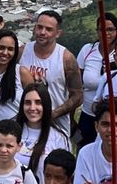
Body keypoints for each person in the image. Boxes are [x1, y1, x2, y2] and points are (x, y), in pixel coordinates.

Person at [18, 9, 83, 140]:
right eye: (39, 27)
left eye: (48, 29)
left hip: (57, 127)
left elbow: (77, 96)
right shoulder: (22, 52)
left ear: (58, 33)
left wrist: (52, 114)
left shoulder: (66, 59)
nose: (42, 32)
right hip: (26, 123)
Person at [75, 11, 117, 145]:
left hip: (112, 117)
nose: (106, 33)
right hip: (88, 114)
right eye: (102, 30)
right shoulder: (87, 50)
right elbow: (77, 81)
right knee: (83, 148)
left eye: (110, 30)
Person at [14, 82, 67, 176]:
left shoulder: (59, 138)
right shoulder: (12, 131)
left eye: (38, 103)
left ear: (46, 105)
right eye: (27, 103)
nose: (32, 108)